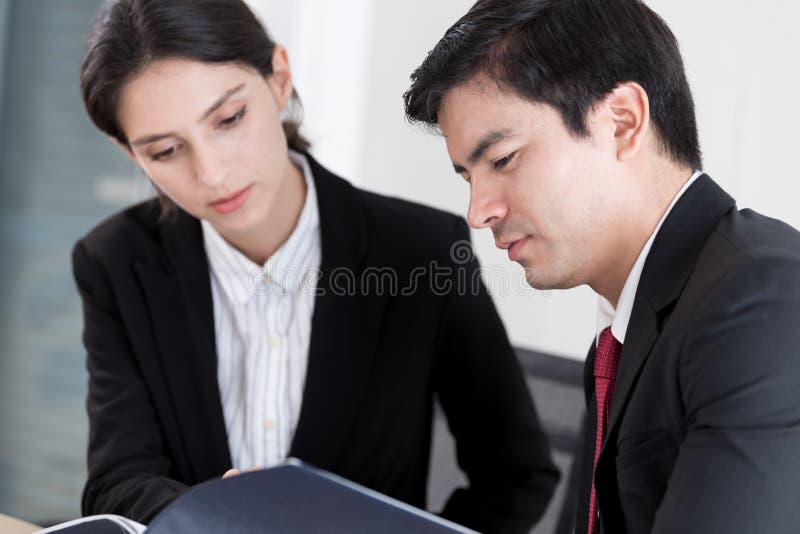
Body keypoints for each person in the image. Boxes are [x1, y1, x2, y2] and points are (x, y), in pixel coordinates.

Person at [73, 0, 559, 532]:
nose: (212, 174)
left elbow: (517, 475)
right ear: (130, 154)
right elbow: (117, 481)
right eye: (165, 150)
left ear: (279, 79)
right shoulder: (116, 262)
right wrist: (207, 518)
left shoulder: (420, 251)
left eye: (230, 119)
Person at [404, 0, 800, 533]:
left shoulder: (761, 299)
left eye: (502, 160)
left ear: (622, 122)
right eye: (467, 177)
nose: (478, 212)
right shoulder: (620, 339)